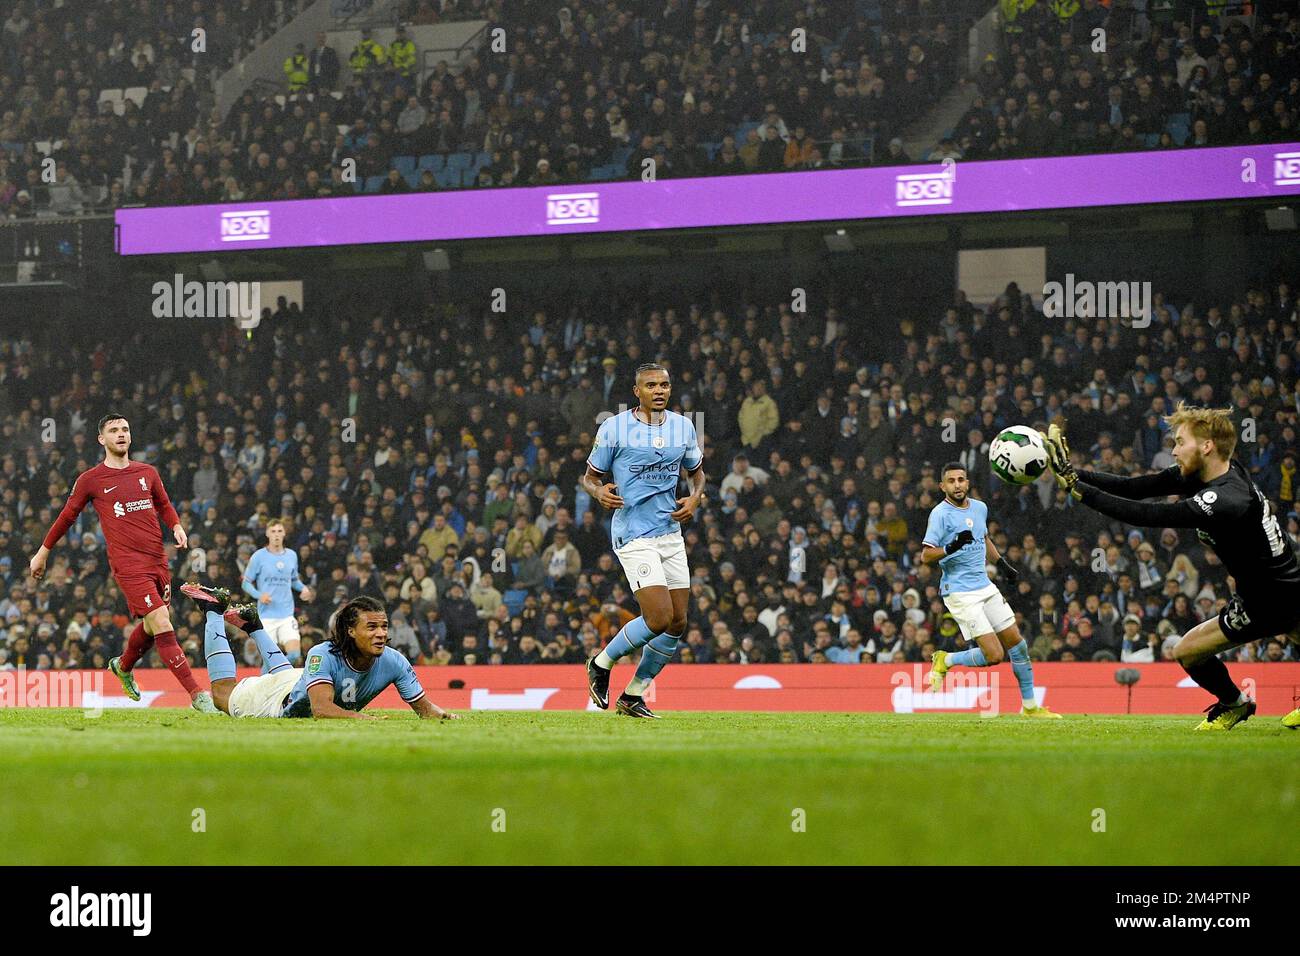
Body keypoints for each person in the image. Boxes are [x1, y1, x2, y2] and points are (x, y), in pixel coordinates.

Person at [1044, 408, 1300, 730]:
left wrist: (1078, 491)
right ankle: (1235, 703)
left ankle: (1235, 702)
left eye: (1180, 442)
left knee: (1191, 651)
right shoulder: (1211, 475)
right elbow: (1136, 487)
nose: (1174, 450)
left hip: (1280, 596)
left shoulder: (1226, 499)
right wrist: (1074, 473)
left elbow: (1147, 516)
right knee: (1187, 652)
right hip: (1262, 595)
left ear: (1206, 446)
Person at [29, 414, 216, 713]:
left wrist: (176, 526)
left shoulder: (148, 472)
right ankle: (196, 694)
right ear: (101, 439)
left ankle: (124, 665)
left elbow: (164, 504)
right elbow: (67, 516)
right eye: (113, 430)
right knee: (162, 621)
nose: (121, 434)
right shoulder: (91, 479)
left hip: (158, 559)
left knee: (153, 625)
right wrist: (43, 551)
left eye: (125, 429)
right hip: (128, 564)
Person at [581, 363, 706, 718]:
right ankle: (601, 663)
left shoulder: (683, 427)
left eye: (664, 384)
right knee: (658, 617)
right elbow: (589, 477)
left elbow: (697, 476)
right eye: (651, 385)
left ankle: (633, 695)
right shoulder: (614, 428)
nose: (659, 390)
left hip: (669, 532)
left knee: (678, 621)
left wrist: (695, 498)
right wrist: (598, 492)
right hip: (633, 533)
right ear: (637, 392)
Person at [185, 583, 455, 720]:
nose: (381, 633)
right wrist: (366, 720)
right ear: (350, 630)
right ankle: (214, 611)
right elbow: (321, 708)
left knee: (292, 679)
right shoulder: (323, 653)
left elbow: (424, 709)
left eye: (383, 626)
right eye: (371, 627)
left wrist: (444, 717)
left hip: (298, 683)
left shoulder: (394, 660)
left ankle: (254, 625)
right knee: (222, 694)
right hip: (277, 702)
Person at [923, 462, 1062, 718]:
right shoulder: (939, 514)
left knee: (1018, 645)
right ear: (942, 486)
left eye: (961, 480)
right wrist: (951, 547)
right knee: (995, 655)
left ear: (967, 483)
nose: (957, 485)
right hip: (960, 592)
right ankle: (946, 659)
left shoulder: (979, 508)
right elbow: (926, 555)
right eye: (951, 481)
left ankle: (1030, 707)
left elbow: (983, 538)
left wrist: (1002, 564)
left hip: (985, 585)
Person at [242, 519, 314, 663]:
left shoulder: (292, 555)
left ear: (284, 533)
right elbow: (246, 583)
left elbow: (293, 579)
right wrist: (259, 595)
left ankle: (278, 676)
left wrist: (303, 588)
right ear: (267, 533)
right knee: (270, 660)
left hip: (287, 615)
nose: (276, 535)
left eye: (279, 531)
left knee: (294, 655)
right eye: (273, 531)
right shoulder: (259, 556)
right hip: (266, 616)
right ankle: (266, 682)